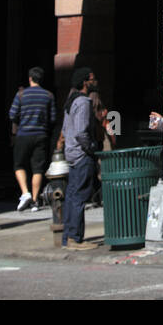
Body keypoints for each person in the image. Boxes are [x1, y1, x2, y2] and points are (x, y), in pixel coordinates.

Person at [60, 68, 99, 250]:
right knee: (79, 196)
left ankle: (68, 236)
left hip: (72, 154)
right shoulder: (83, 102)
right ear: (85, 82)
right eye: (92, 78)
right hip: (82, 154)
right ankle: (75, 238)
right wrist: (91, 149)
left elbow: (66, 129)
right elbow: (81, 131)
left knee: (72, 195)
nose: (95, 80)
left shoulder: (71, 101)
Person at [8, 67, 55, 212]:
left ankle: (25, 192)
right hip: (41, 135)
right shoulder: (48, 95)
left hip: (23, 134)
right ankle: (35, 201)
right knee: (38, 168)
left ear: (30, 78)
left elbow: (12, 114)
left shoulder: (21, 95)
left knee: (19, 165)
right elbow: (53, 118)